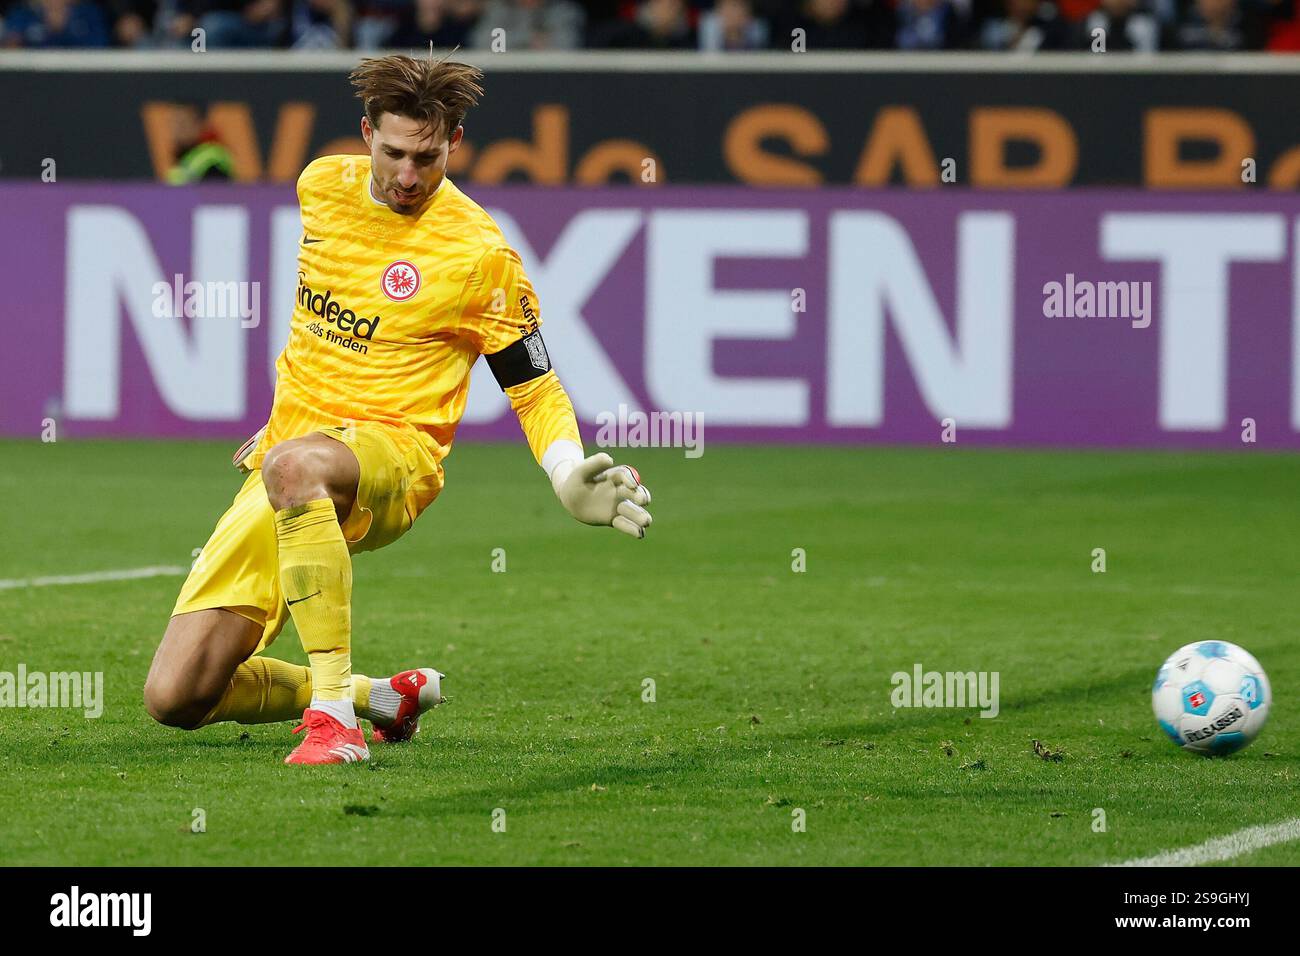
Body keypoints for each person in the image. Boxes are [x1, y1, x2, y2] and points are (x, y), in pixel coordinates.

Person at [144, 53, 655, 766]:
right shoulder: (321, 187)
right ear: (365, 135)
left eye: (427, 156)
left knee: (296, 466)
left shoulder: (480, 255)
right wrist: (288, 416)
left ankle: (331, 724)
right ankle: (377, 697)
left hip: (397, 458)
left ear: (454, 144)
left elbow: (533, 385)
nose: (408, 176)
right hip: (294, 456)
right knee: (178, 695)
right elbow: (333, 320)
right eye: (393, 153)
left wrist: (566, 470)